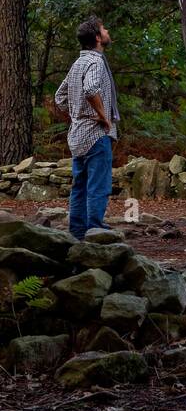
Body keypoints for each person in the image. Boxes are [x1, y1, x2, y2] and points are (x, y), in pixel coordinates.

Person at [54, 17, 120, 242]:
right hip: (95, 134)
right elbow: (91, 89)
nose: (107, 30)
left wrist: (76, 115)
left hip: (77, 134)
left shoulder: (77, 64)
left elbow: (59, 97)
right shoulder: (96, 62)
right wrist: (103, 117)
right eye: (104, 29)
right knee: (98, 184)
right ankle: (95, 230)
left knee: (79, 186)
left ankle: (77, 234)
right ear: (97, 38)